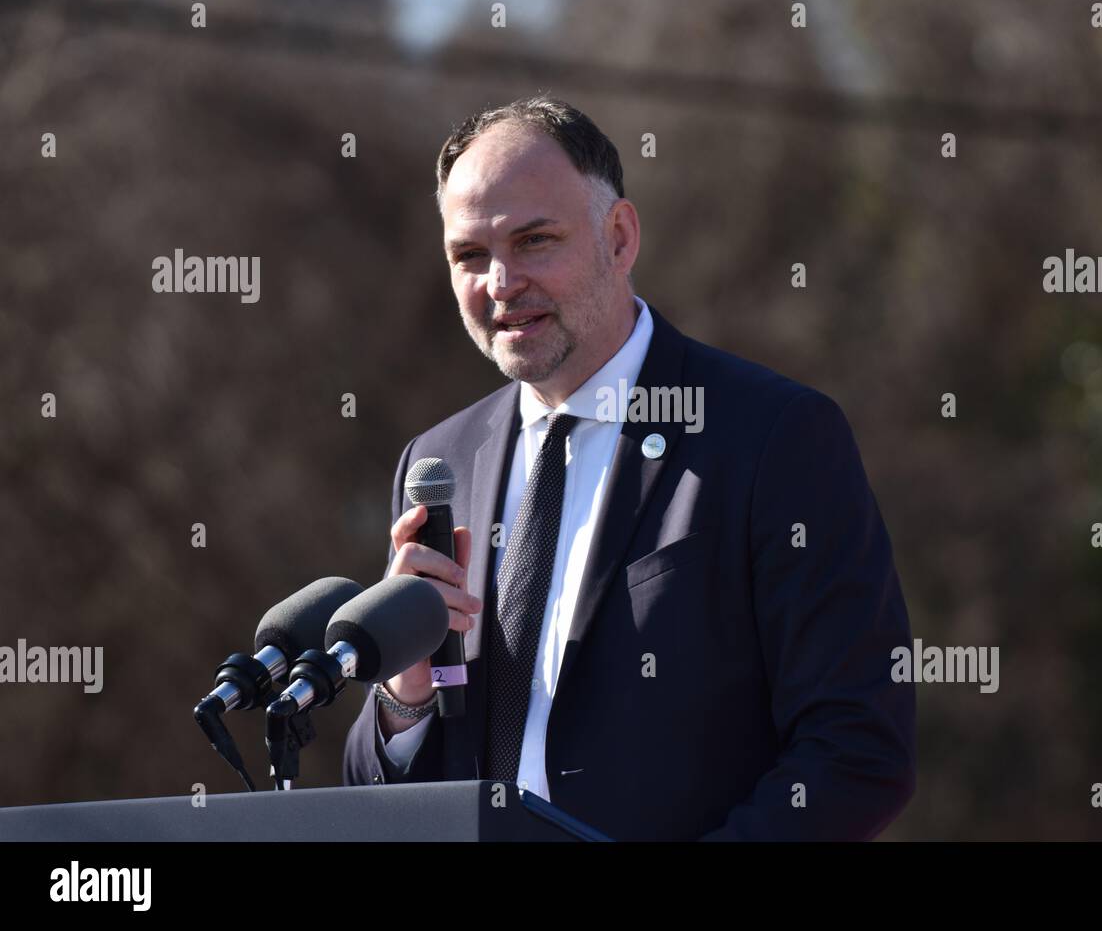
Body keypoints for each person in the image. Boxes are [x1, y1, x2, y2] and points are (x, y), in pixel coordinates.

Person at [341, 96, 915, 840]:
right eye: (470, 256)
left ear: (619, 237)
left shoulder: (772, 436)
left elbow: (857, 748)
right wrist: (405, 694)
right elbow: (372, 791)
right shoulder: (437, 463)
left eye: (534, 240)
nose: (500, 282)